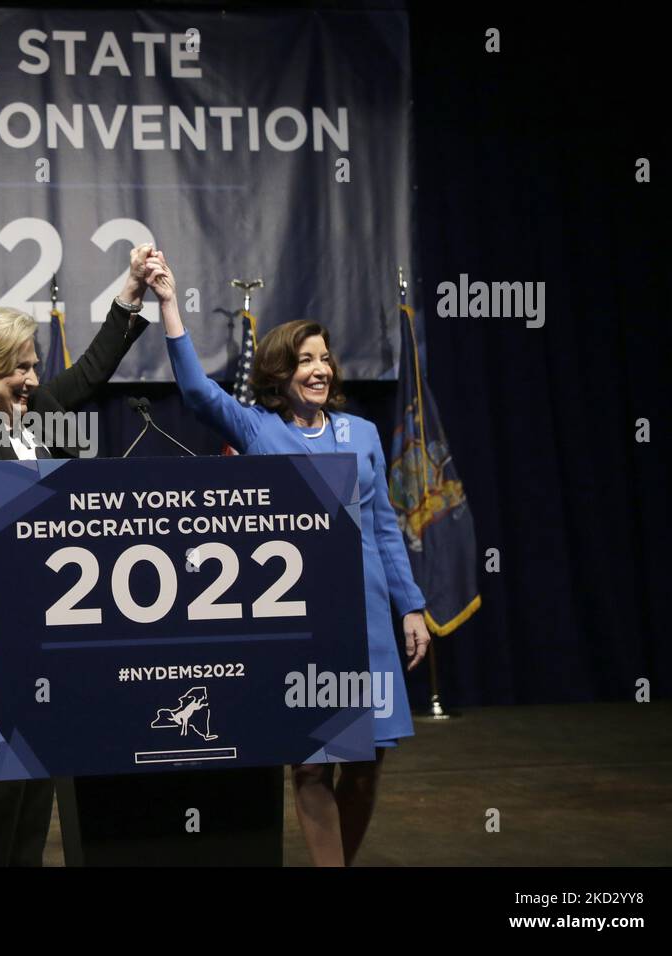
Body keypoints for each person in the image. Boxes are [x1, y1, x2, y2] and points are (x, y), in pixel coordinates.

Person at [143, 250, 430, 866]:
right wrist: (169, 305)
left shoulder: (363, 435)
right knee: (312, 766)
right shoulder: (256, 430)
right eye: (306, 360)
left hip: (371, 619)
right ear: (281, 371)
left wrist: (411, 606)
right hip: (299, 624)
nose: (321, 369)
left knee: (366, 766)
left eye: (325, 358)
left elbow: (385, 527)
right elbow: (195, 389)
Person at [0, 245, 154, 866]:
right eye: (16, 369)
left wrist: (131, 292)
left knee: (36, 792)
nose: (30, 379)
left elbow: (89, 374)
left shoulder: (32, 422)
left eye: (31, 366)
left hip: (48, 638)